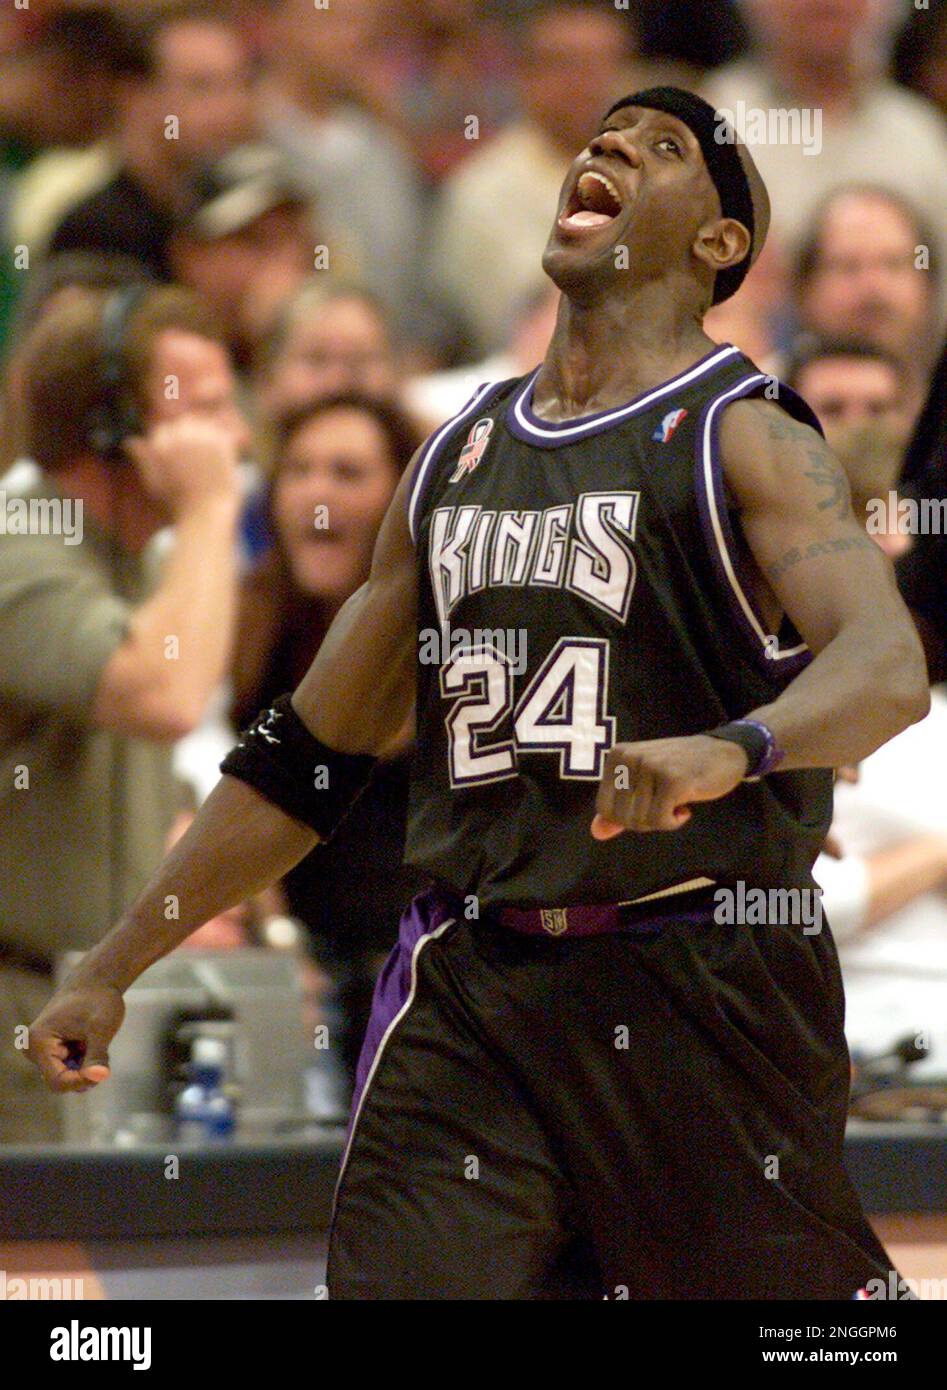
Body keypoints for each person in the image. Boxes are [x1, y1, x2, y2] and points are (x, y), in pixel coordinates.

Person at [27, 87, 930, 1299]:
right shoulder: (454, 453)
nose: (609, 146)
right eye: (604, 133)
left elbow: (882, 665)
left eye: (661, 148)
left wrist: (730, 749)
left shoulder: (743, 434)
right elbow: (306, 754)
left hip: (704, 982)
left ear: (718, 245)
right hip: (475, 985)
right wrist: (115, 962)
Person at [1, 284, 248, 1143]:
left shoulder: (134, 562)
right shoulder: (18, 552)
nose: (239, 440)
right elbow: (165, 695)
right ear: (113, 432)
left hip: (79, 1002)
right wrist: (212, 507)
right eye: (211, 411)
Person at [230, 393, 426, 1097]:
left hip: (418, 985)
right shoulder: (250, 623)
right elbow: (227, 794)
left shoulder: (447, 640)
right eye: (300, 470)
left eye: (347, 473)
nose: (318, 492)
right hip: (292, 977)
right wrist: (273, 933)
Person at [792, 186, 939, 387]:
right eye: (848, 266)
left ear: (929, 284)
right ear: (805, 288)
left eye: (894, 264)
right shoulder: (759, 399)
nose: (874, 286)